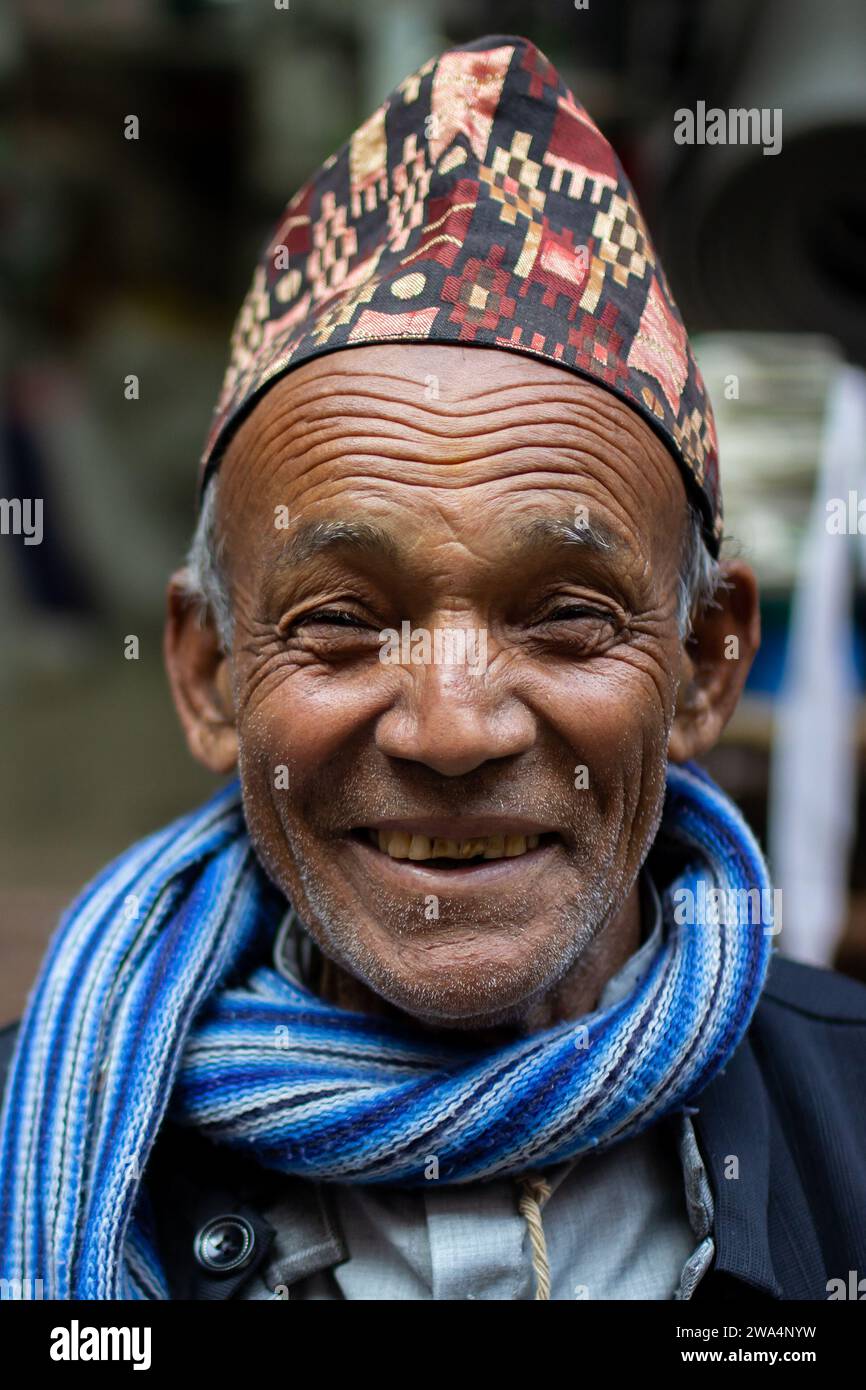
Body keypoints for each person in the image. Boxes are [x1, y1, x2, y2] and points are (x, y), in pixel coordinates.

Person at [2, 34, 864, 1302]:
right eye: (344, 621)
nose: (451, 728)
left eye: (564, 615)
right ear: (204, 673)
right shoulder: (31, 1136)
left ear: (700, 668)